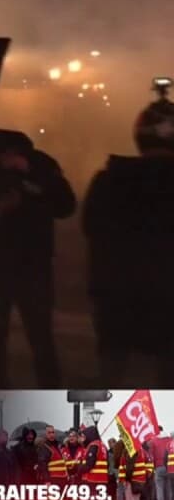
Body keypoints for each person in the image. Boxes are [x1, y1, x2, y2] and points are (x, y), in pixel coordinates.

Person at [0, 128, 76, 388]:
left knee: (37, 337)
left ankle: (47, 393)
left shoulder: (40, 165)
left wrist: (29, 181)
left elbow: (66, 205)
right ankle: (1, 393)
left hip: (28, 262)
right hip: (0, 260)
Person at [82, 97, 174, 386]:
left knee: (111, 374)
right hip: (167, 300)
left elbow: (90, 228)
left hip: (115, 297)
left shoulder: (108, 180)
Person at [82, 426, 112, 500]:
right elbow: (108, 464)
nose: (83, 438)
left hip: (93, 480)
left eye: (84, 436)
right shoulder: (103, 446)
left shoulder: (93, 445)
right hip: (103, 480)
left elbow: (89, 464)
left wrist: (80, 468)